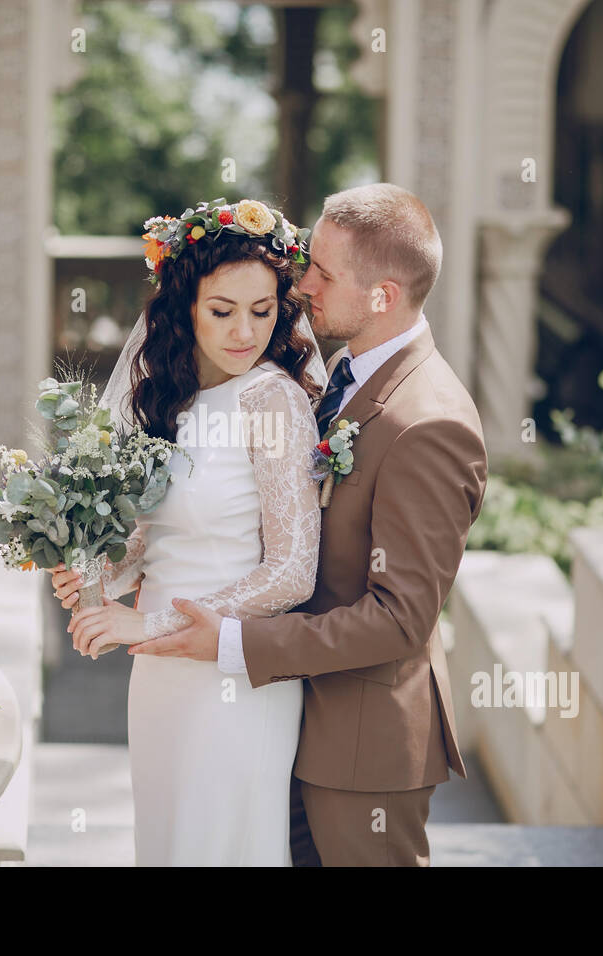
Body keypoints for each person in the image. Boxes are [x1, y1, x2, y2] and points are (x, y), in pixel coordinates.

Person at [121, 183, 488, 866]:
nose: (302, 282)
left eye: (322, 271)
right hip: (290, 711)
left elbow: (400, 619)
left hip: (362, 743)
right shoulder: (341, 381)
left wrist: (236, 645)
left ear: (381, 295)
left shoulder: (429, 422)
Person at [52, 198, 327, 865]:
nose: (244, 332)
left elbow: (293, 571)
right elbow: (160, 536)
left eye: (262, 311)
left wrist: (148, 627)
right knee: (168, 844)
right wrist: (101, 575)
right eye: (221, 311)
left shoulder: (273, 400)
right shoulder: (172, 401)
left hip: (228, 672)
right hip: (160, 680)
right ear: (185, 309)